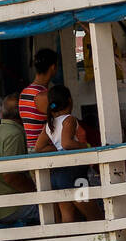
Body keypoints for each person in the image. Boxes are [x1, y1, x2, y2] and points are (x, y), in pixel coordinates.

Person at [34, 85, 101, 222]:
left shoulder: (50, 124)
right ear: (70, 101)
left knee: (68, 217)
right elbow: (67, 143)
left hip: (57, 176)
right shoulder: (69, 119)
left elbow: (39, 148)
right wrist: (85, 146)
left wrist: (57, 150)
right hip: (74, 174)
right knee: (95, 216)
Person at [0, 93, 38, 225]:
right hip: (12, 207)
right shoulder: (14, 134)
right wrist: (35, 191)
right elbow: (11, 176)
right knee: (55, 206)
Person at [20, 48, 60, 151]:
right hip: (44, 150)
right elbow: (60, 118)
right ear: (53, 67)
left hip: (31, 150)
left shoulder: (24, 92)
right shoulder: (44, 96)